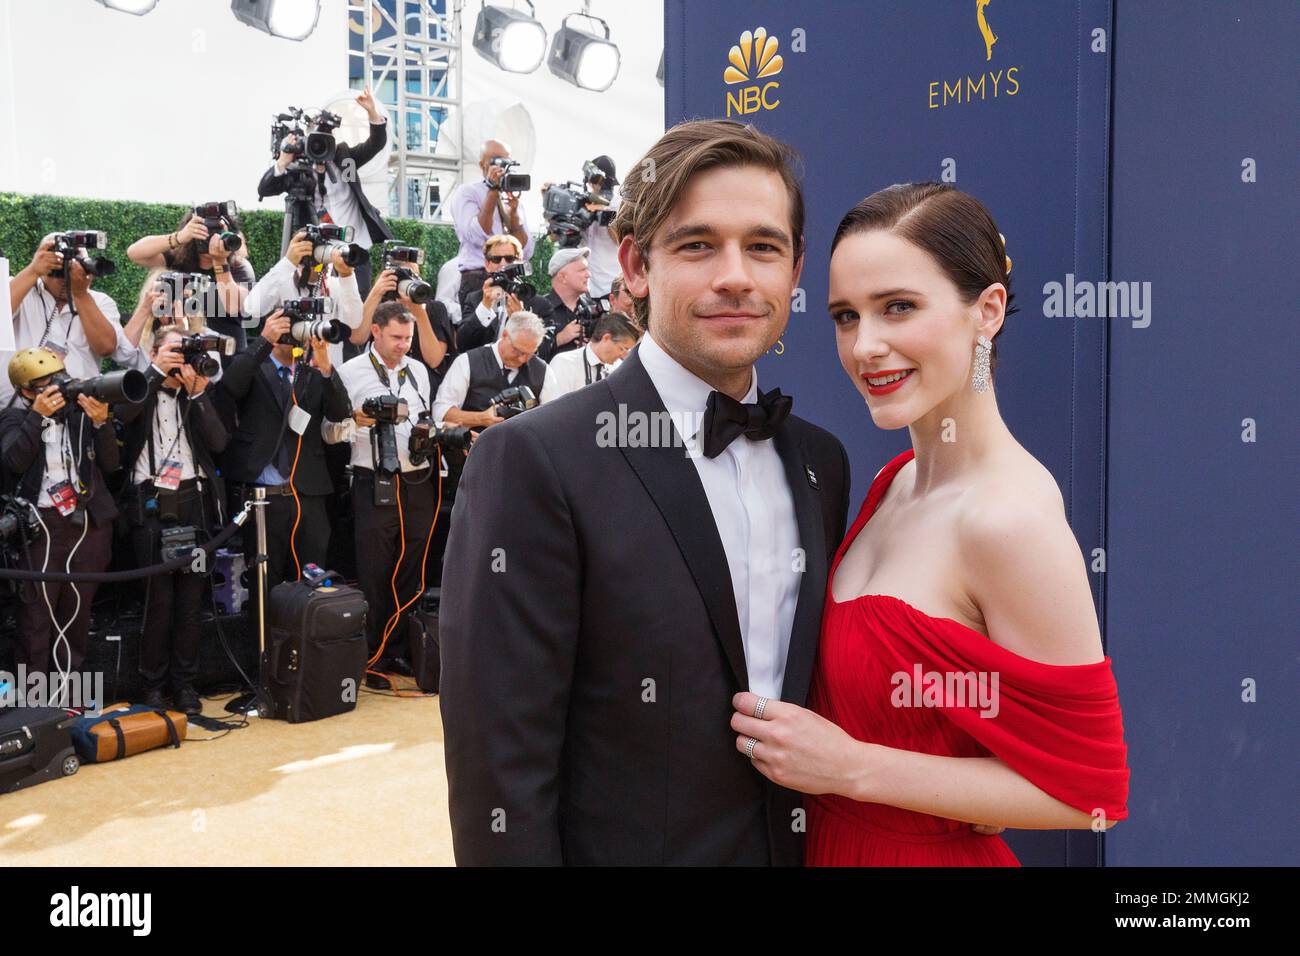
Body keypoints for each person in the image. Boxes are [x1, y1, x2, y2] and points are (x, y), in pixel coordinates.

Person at [438, 119, 851, 865]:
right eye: (698, 245)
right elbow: (501, 771)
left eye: (763, 246)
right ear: (635, 266)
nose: (735, 275)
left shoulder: (822, 464)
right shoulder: (533, 461)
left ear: (794, 272)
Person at [730, 183, 1129, 867]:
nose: (865, 346)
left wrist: (854, 769)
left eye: (899, 308)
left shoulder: (1006, 520)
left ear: (989, 311)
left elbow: (1092, 796)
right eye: (846, 316)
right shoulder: (894, 482)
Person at [114, 329, 230, 715]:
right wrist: (151, 373)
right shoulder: (137, 387)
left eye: (184, 351)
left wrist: (197, 392)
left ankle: (184, 685)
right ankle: (151, 686)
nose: (179, 358)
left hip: (193, 503)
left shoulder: (196, 393)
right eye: (172, 351)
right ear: (153, 352)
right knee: (157, 602)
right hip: (149, 507)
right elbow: (121, 418)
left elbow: (218, 443)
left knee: (190, 603)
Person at [217, 311, 351, 614]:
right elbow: (230, 387)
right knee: (266, 581)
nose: (294, 339)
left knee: (312, 579)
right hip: (264, 495)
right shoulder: (253, 365)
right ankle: (267, 655)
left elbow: (340, 412)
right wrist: (265, 339)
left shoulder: (313, 375)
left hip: (308, 494)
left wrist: (325, 364)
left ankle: (307, 651)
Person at [0, 348, 117, 685]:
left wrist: (101, 421)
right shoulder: (14, 419)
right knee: (35, 619)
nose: (58, 388)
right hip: (39, 528)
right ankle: (34, 711)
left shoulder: (80, 414)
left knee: (76, 615)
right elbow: (12, 464)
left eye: (60, 378)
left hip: (85, 524)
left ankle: (69, 699)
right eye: (45, 384)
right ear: (26, 391)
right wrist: (37, 417)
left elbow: (111, 464)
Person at [336, 302, 438, 678]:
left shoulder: (418, 371)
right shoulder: (350, 371)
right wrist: (358, 419)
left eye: (408, 338)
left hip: (417, 478)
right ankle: (373, 652)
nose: (403, 346)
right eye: (396, 337)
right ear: (375, 332)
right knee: (375, 569)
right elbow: (333, 431)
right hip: (373, 477)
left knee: (411, 565)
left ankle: (399, 648)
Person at [258, 87, 393, 297]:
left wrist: (372, 113)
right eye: (315, 141)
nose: (320, 147)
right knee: (319, 298)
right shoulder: (299, 169)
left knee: (358, 299)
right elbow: (264, 189)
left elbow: (375, 144)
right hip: (319, 253)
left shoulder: (344, 157)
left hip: (354, 248)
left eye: (326, 140)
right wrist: (283, 161)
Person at [8, 235, 142, 386]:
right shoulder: (20, 288)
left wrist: (80, 294)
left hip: (78, 403)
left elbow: (106, 348)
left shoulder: (101, 302)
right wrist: (33, 270)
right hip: (19, 402)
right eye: (60, 272)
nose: (67, 278)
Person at [125, 206, 256, 351]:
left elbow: (234, 307)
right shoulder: (178, 259)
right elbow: (134, 253)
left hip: (228, 353)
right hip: (185, 353)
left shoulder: (238, 265)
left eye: (218, 232)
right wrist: (179, 237)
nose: (212, 238)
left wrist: (220, 261)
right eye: (206, 231)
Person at [242, 228, 365, 370]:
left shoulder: (337, 286)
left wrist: (347, 276)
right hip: (288, 375)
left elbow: (354, 323)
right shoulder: (282, 281)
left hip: (325, 375)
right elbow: (252, 308)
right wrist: (288, 262)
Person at [446, 139, 535, 308]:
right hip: (479, 276)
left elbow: (525, 250)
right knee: (481, 330)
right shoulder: (468, 192)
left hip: (511, 278)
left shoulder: (512, 194)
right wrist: (493, 190)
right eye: (497, 161)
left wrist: (514, 215)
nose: (503, 167)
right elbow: (476, 236)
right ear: (482, 165)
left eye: (507, 161)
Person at [432, 311, 548, 430]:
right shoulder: (467, 362)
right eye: (517, 350)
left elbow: (551, 418)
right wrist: (481, 418)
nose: (523, 359)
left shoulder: (543, 370)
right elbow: (440, 412)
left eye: (530, 354)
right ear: (504, 335)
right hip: (476, 445)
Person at [357, 265, 454, 386]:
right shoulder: (379, 304)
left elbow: (434, 360)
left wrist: (419, 312)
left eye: (412, 275)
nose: (407, 279)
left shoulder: (434, 308)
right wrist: (376, 293)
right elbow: (357, 337)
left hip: (424, 387)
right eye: (401, 275)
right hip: (381, 383)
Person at [455, 234, 553, 354]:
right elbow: (462, 344)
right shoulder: (474, 299)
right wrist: (485, 307)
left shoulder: (540, 304)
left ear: (520, 262)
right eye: (496, 259)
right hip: (484, 370)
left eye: (510, 259)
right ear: (487, 264)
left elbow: (545, 352)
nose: (503, 263)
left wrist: (520, 320)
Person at [538, 311, 638, 404]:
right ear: (606, 338)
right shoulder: (564, 363)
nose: (623, 355)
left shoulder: (619, 369)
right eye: (622, 349)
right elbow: (553, 411)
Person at [533, 246, 591, 362]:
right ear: (563, 277)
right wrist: (559, 339)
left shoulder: (592, 309)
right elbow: (524, 355)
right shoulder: (537, 308)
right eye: (582, 270)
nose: (589, 274)